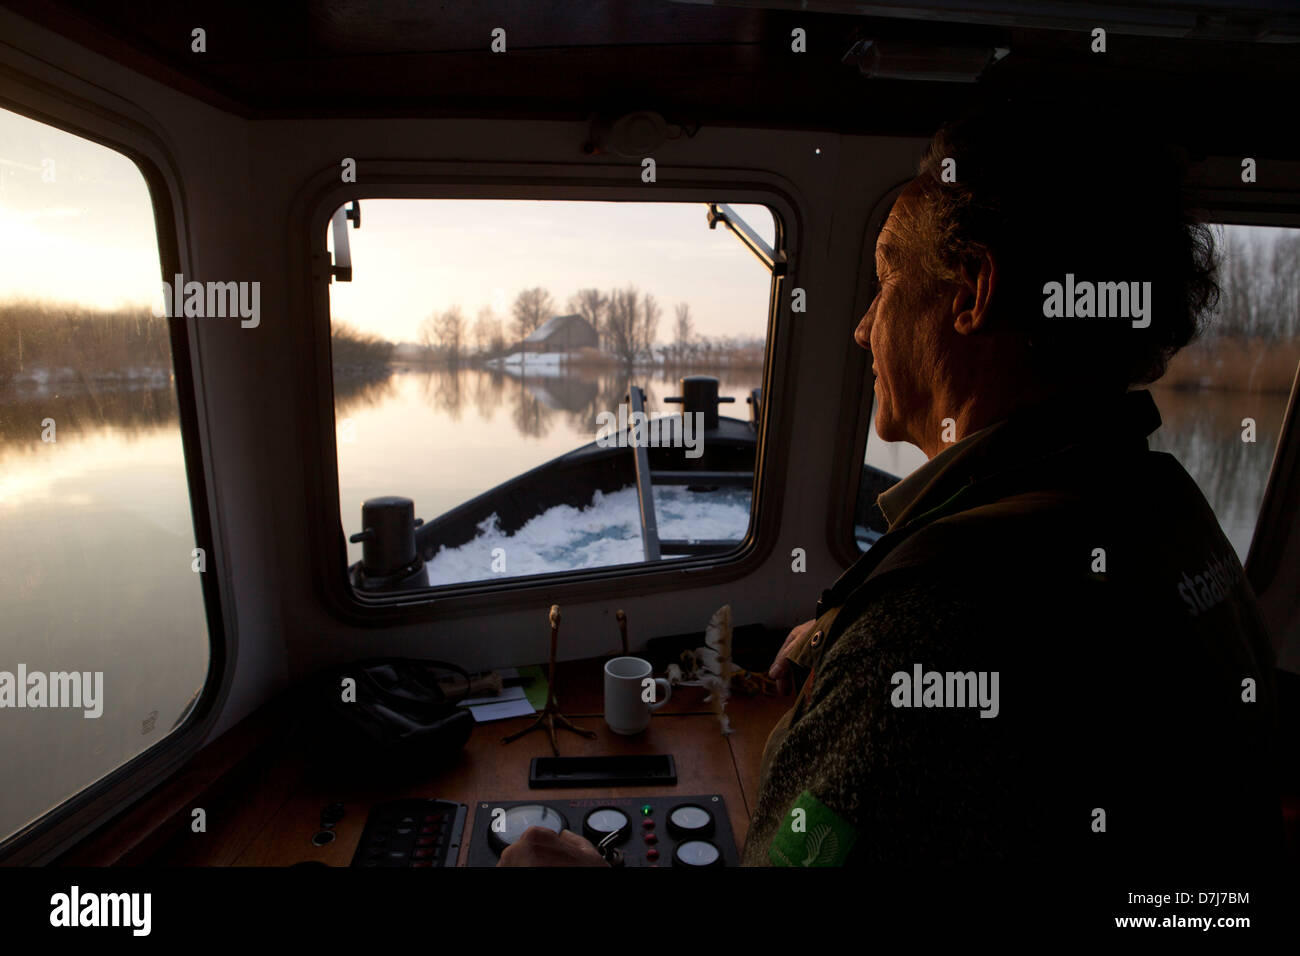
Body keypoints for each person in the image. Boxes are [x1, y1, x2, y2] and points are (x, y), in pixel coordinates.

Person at [500, 99, 1281, 872]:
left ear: (971, 290)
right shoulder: (1168, 509)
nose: (862, 324)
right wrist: (851, 643)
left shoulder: (934, 627)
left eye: (885, 278)